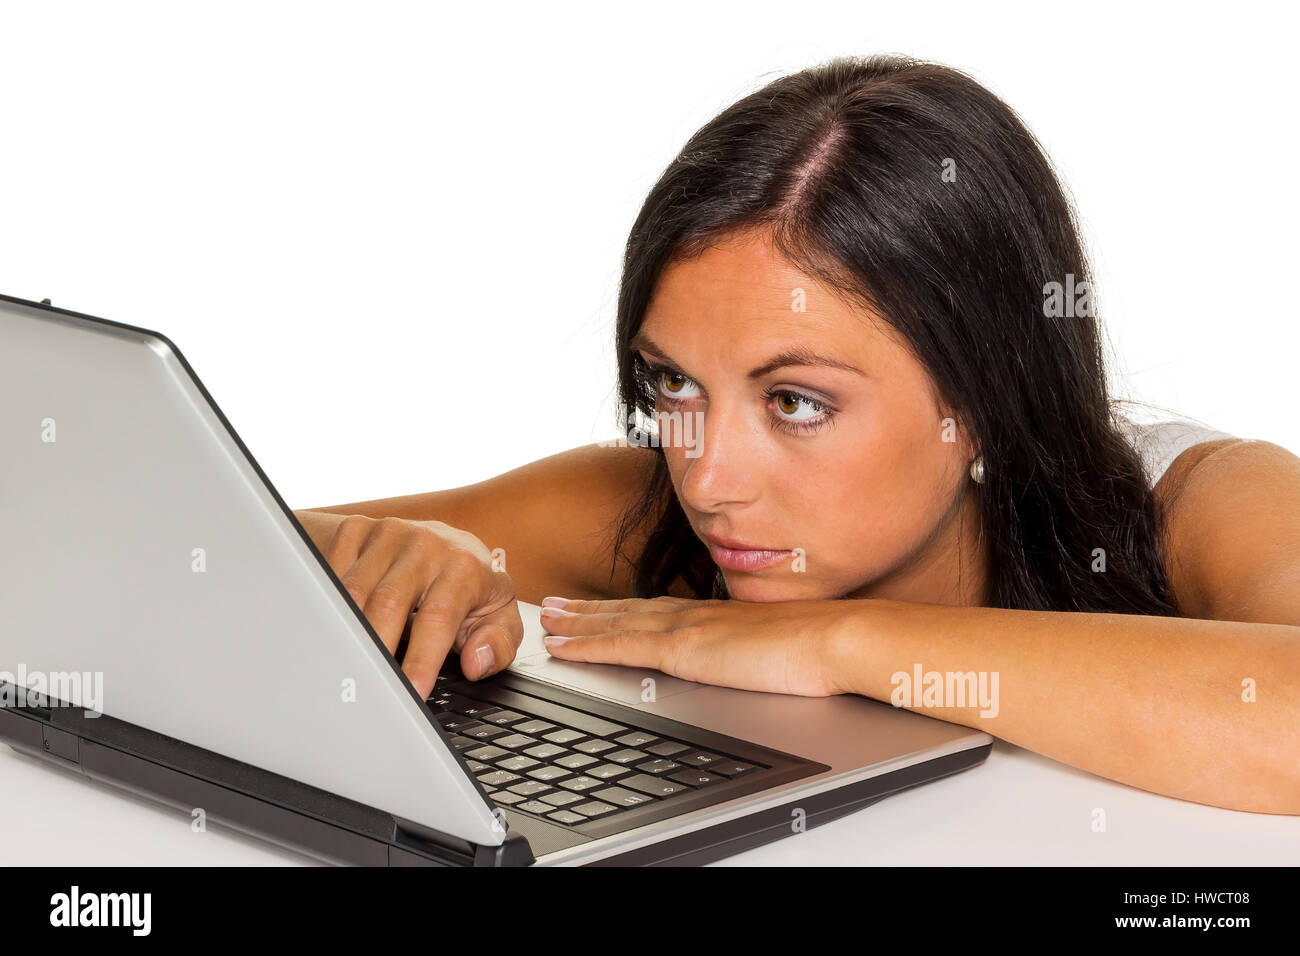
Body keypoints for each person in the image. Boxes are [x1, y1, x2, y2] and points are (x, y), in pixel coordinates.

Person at [295, 54, 1300, 815]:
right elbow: (193, 544)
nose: (707, 477)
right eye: (673, 382)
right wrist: (421, 557)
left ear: (984, 400)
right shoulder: (635, 504)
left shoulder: (1197, 498)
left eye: (796, 401)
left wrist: (835, 641)